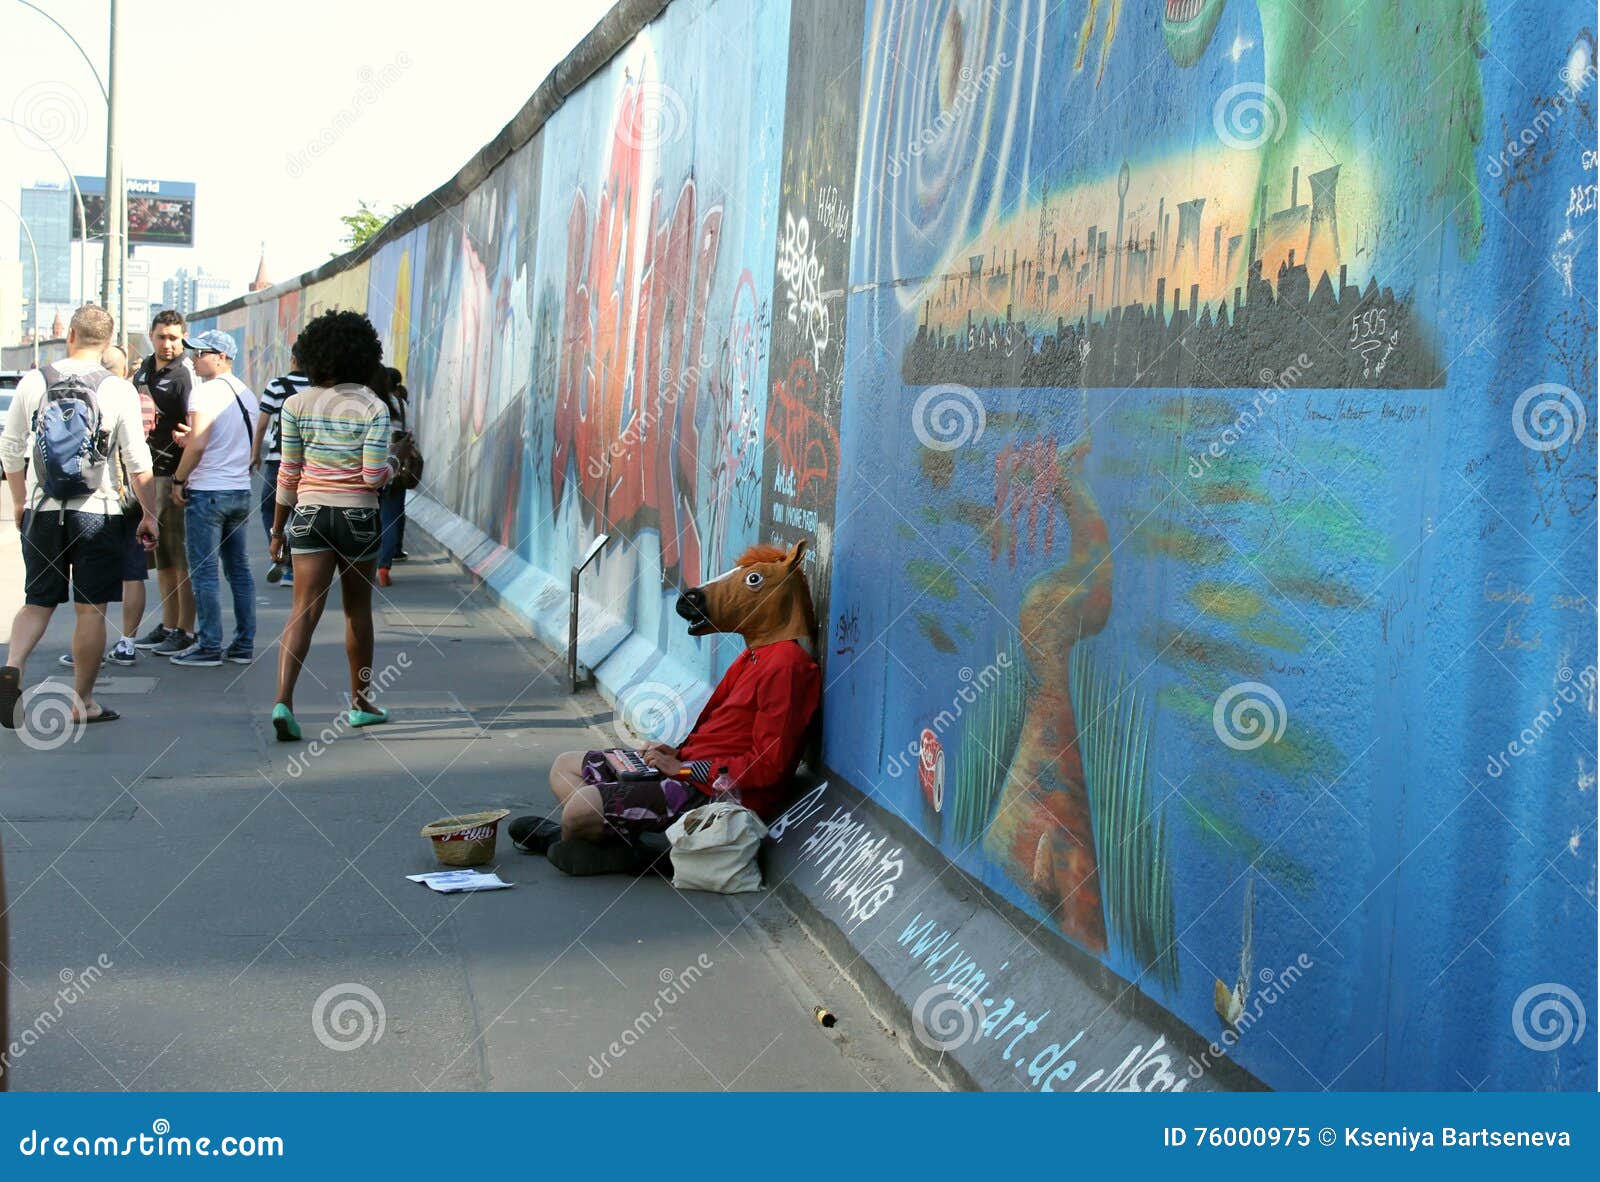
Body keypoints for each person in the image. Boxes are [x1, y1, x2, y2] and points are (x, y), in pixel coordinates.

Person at [515, 541, 821, 875]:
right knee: (565, 767)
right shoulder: (754, 655)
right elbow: (721, 733)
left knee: (579, 808)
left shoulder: (788, 666)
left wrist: (684, 770)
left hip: (714, 794)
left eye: (753, 583)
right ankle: (599, 842)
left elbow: (769, 766)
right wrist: (674, 753)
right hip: (688, 770)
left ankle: (586, 838)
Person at [0, 305, 159, 730]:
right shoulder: (117, 388)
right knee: (90, 610)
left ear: (69, 334)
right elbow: (137, 461)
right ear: (107, 344)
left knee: (37, 603)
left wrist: (19, 501)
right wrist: (150, 515)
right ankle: (81, 702)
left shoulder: (35, 380)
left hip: (43, 510)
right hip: (99, 513)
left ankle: (13, 663)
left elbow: (11, 448)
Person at [269, 311, 415, 740]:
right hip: (358, 516)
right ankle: (361, 702)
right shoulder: (373, 406)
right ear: (364, 354)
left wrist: (277, 530)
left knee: (302, 611)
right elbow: (373, 477)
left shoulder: (295, 404)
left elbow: (288, 474)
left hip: (309, 514)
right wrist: (393, 462)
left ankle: (283, 701)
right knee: (357, 612)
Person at [57, 343, 152, 670]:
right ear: (125, 370)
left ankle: (85, 646)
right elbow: (140, 455)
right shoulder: (138, 398)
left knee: (88, 582)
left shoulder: (82, 396)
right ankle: (127, 642)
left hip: (99, 497)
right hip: (134, 494)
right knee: (133, 570)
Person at [168, 330, 259, 667]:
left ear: (221, 356)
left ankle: (208, 645)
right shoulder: (246, 394)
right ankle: (243, 644)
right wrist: (192, 441)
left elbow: (201, 444)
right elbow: (227, 440)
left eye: (200, 353)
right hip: (239, 490)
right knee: (239, 569)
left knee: (204, 571)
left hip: (208, 492)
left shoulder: (204, 394)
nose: (192, 358)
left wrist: (179, 478)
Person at [130, 309, 198, 656]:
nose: (167, 344)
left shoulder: (185, 374)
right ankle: (169, 625)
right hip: (148, 474)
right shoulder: (143, 367)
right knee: (161, 557)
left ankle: (186, 630)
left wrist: (182, 477)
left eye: (174, 337)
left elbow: (196, 428)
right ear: (151, 335)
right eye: (161, 337)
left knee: (181, 558)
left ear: (183, 337)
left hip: (173, 477)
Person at [252, 341, 308, 586]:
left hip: (278, 459)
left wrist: (255, 453)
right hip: (307, 462)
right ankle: (294, 565)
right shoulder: (316, 389)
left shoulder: (276, 386)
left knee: (269, 507)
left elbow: (262, 423)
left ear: (293, 360)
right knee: (299, 511)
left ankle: (279, 548)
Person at [377, 365, 410, 577]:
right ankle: (384, 565)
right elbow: (410, 435)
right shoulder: (402, 404)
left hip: (373, 466)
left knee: (371, 516)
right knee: (391, 517)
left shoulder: (371, 404)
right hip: (396, 467)